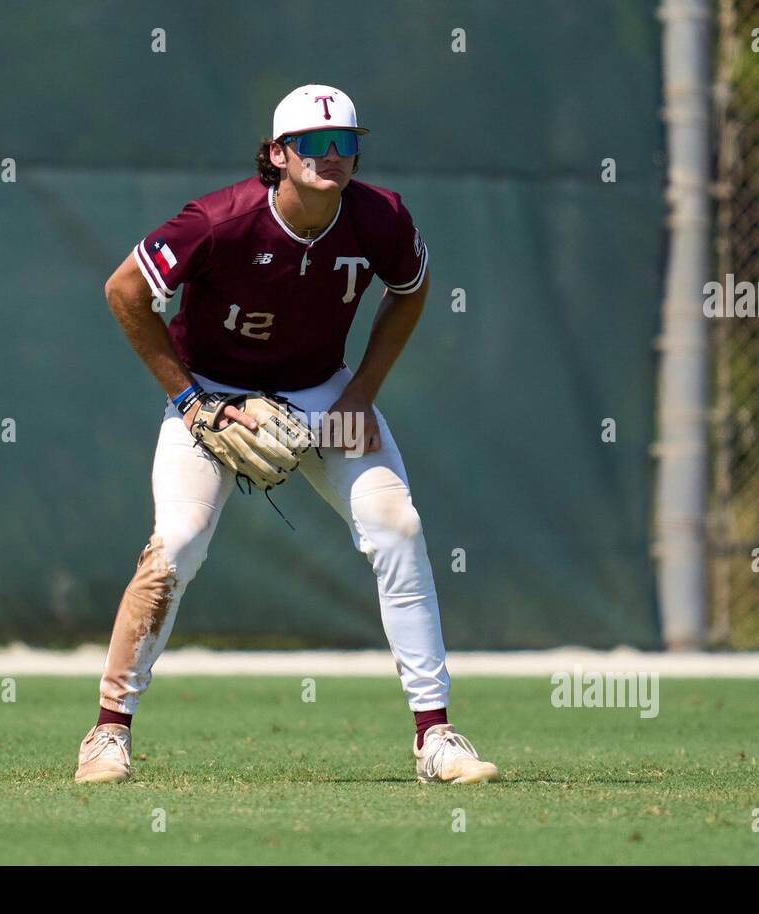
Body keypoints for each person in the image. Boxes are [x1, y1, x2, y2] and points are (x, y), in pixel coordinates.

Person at [76, 84, 499, 785]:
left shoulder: (380, 217)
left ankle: (436, 736)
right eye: (312, 144)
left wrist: (361, 392)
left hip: (323, 387)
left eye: (346, 143)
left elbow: (411, 289)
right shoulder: (218, 220)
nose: (332, 156)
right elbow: (125, 290)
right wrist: (188, 400)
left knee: (397, 525)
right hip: (212, 395)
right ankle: (107, 733)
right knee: (176, 546)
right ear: (277, 154)